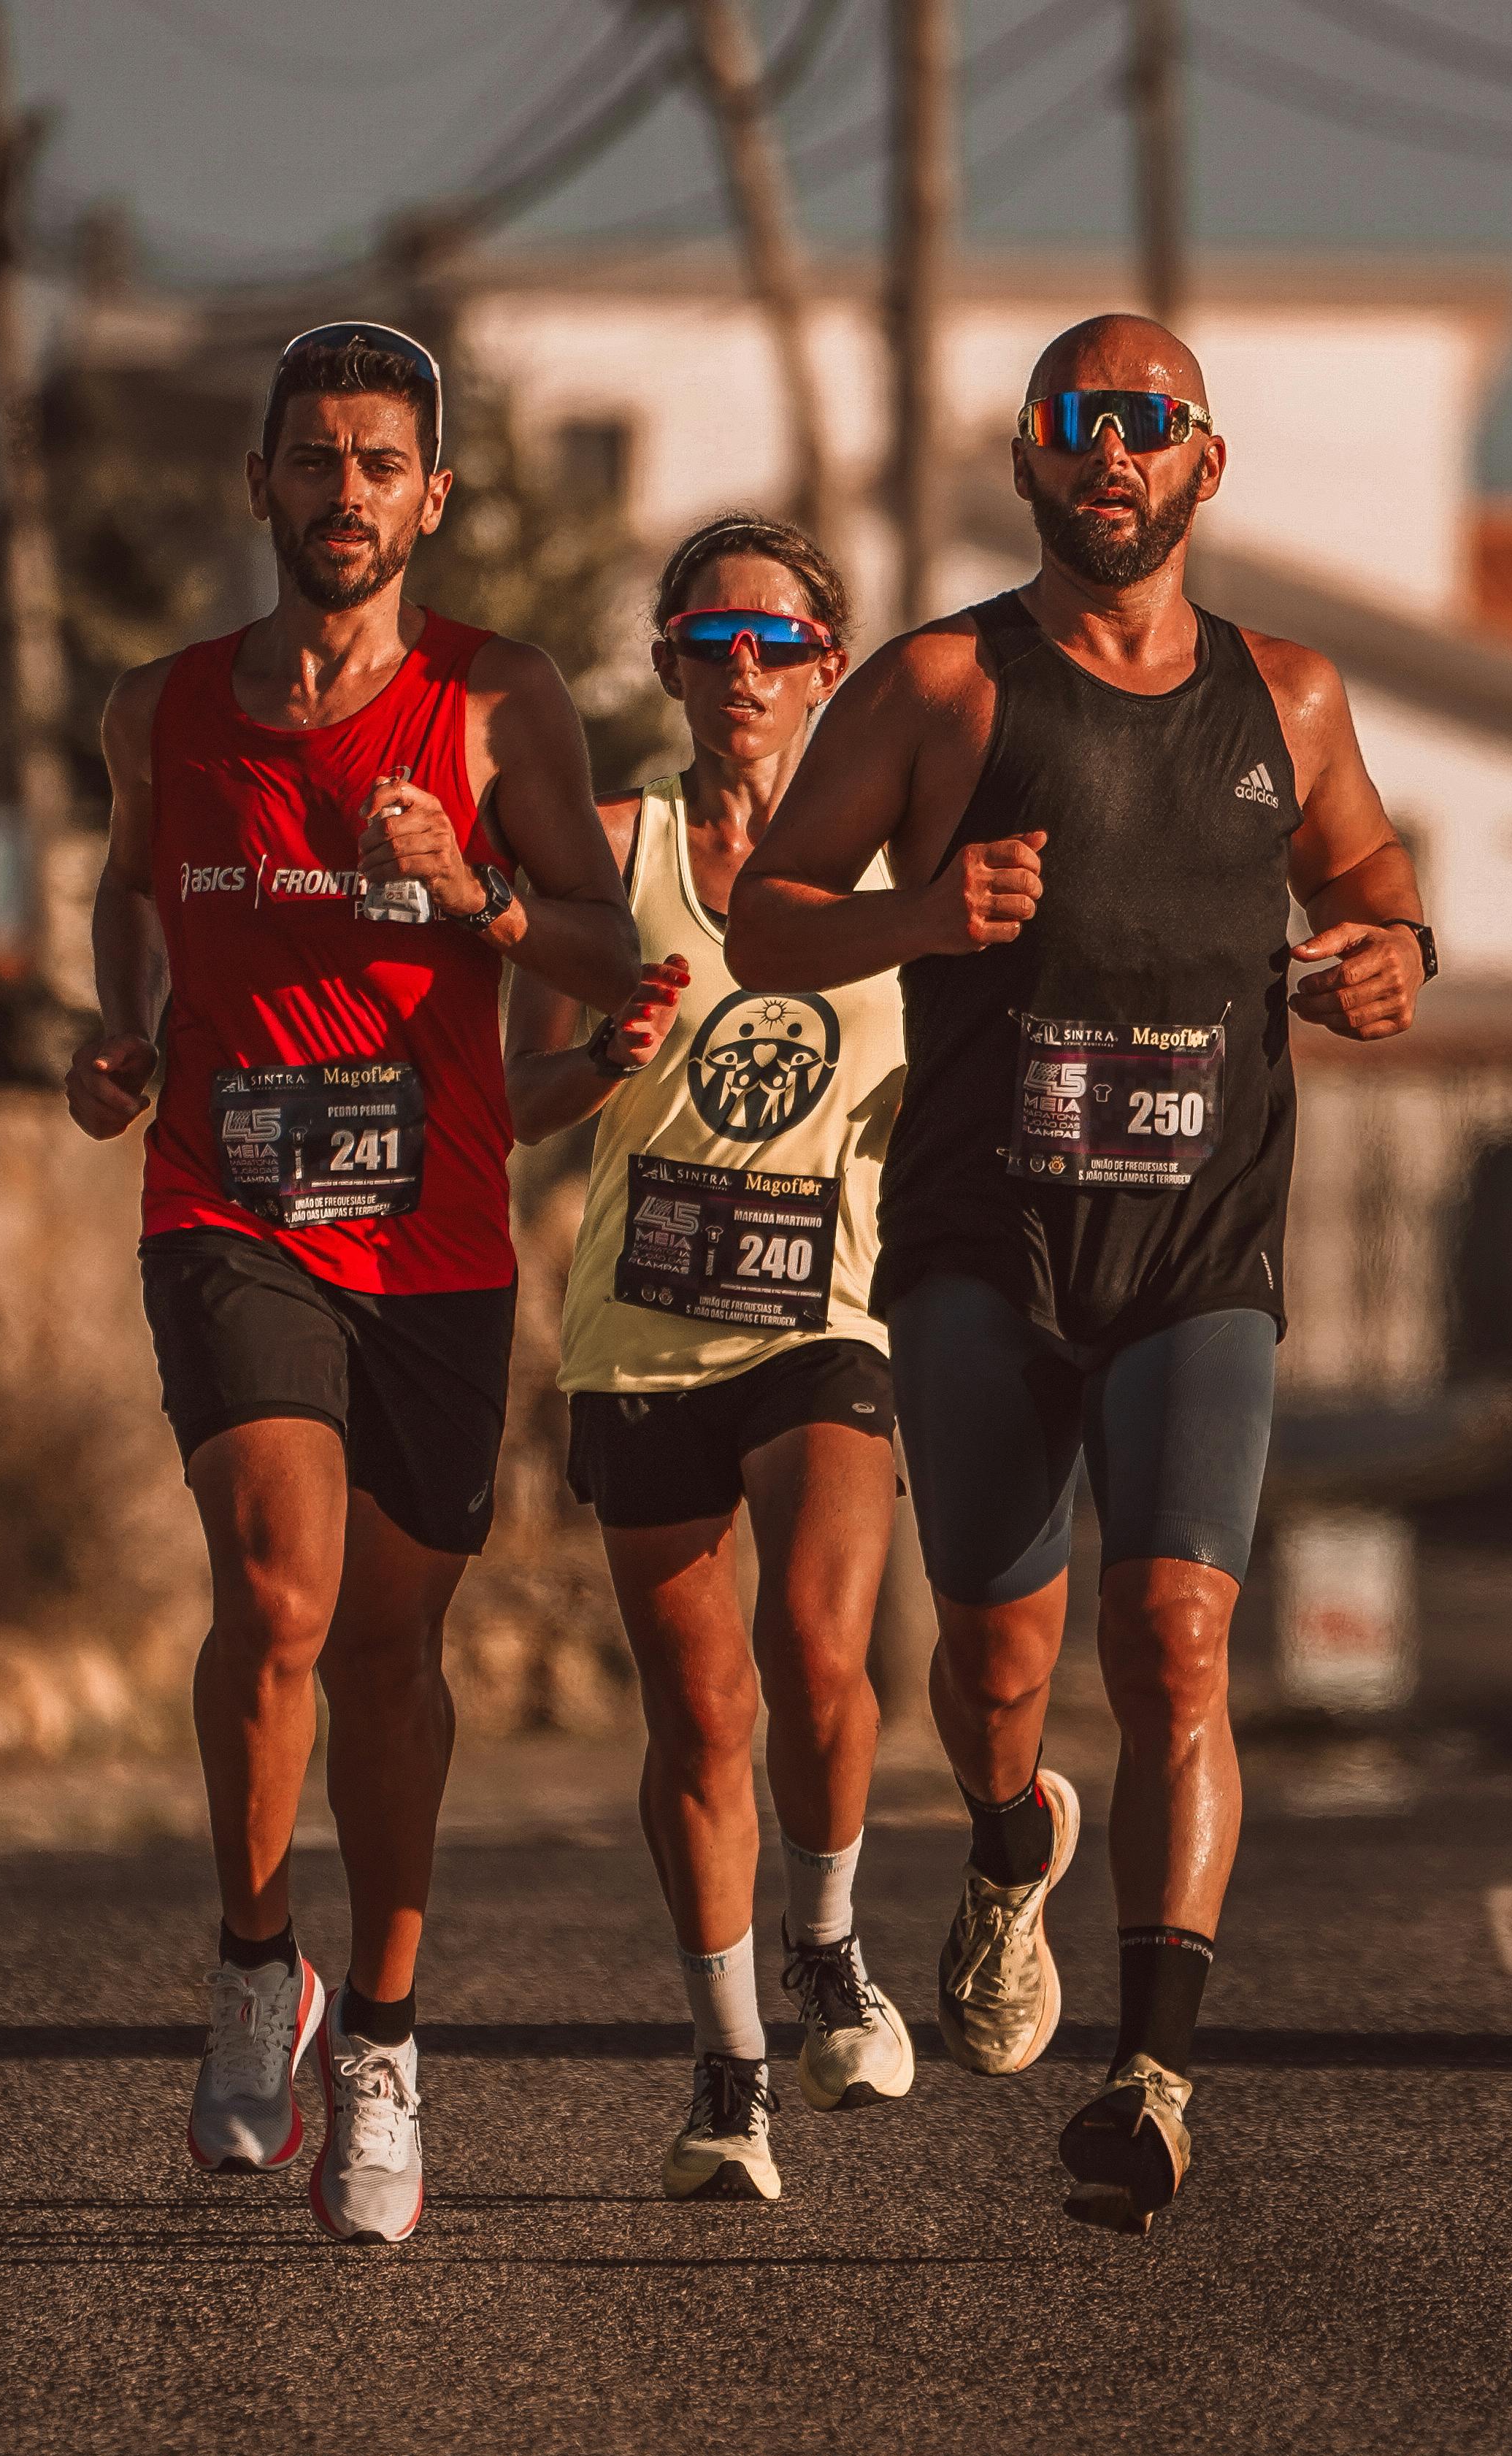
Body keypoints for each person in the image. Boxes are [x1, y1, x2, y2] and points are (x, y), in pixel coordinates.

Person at [726, 315, 1431, 2232]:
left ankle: (1154, 2070)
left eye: (1146, 423)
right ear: (1028, 461)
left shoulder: (1289, 696)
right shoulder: (941, 684)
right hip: (987, 1241)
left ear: (1207, 463)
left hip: (1202, 1243)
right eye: (1072, 422)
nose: (1107, 453)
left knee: (1180, 1638)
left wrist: (1394, 958)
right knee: (1004, 1666)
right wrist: (922, 914)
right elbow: (766, 914)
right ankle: (1009, 1838)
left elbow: (1375, 889)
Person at [61, 321, 640, 2245]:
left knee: (392, 1649)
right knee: (281, 1586)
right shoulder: (164, 705)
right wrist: (120, 1029)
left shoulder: (495, 705)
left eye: (379, 462)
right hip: (226, 1202)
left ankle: (378, 2034)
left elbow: (593, 927)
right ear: (262, 486)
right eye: (311, 459)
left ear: (432, 498)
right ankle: (251, 1962)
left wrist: (468, 884)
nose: (342, 492)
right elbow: (131, 886)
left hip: (436, 1233)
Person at [505, 514, 916, 2206]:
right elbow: (506, 1107)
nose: (741, 674)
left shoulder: (910, 863)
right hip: (644, 1328)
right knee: (699, 1711)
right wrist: (604, 1053)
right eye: (709, 643)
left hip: (826, 1316)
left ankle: (824, 1939)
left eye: (775, 646)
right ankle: (727, 2069)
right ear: (669, 664)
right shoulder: (608, 856)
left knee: (817, 1649)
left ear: (832, 667)